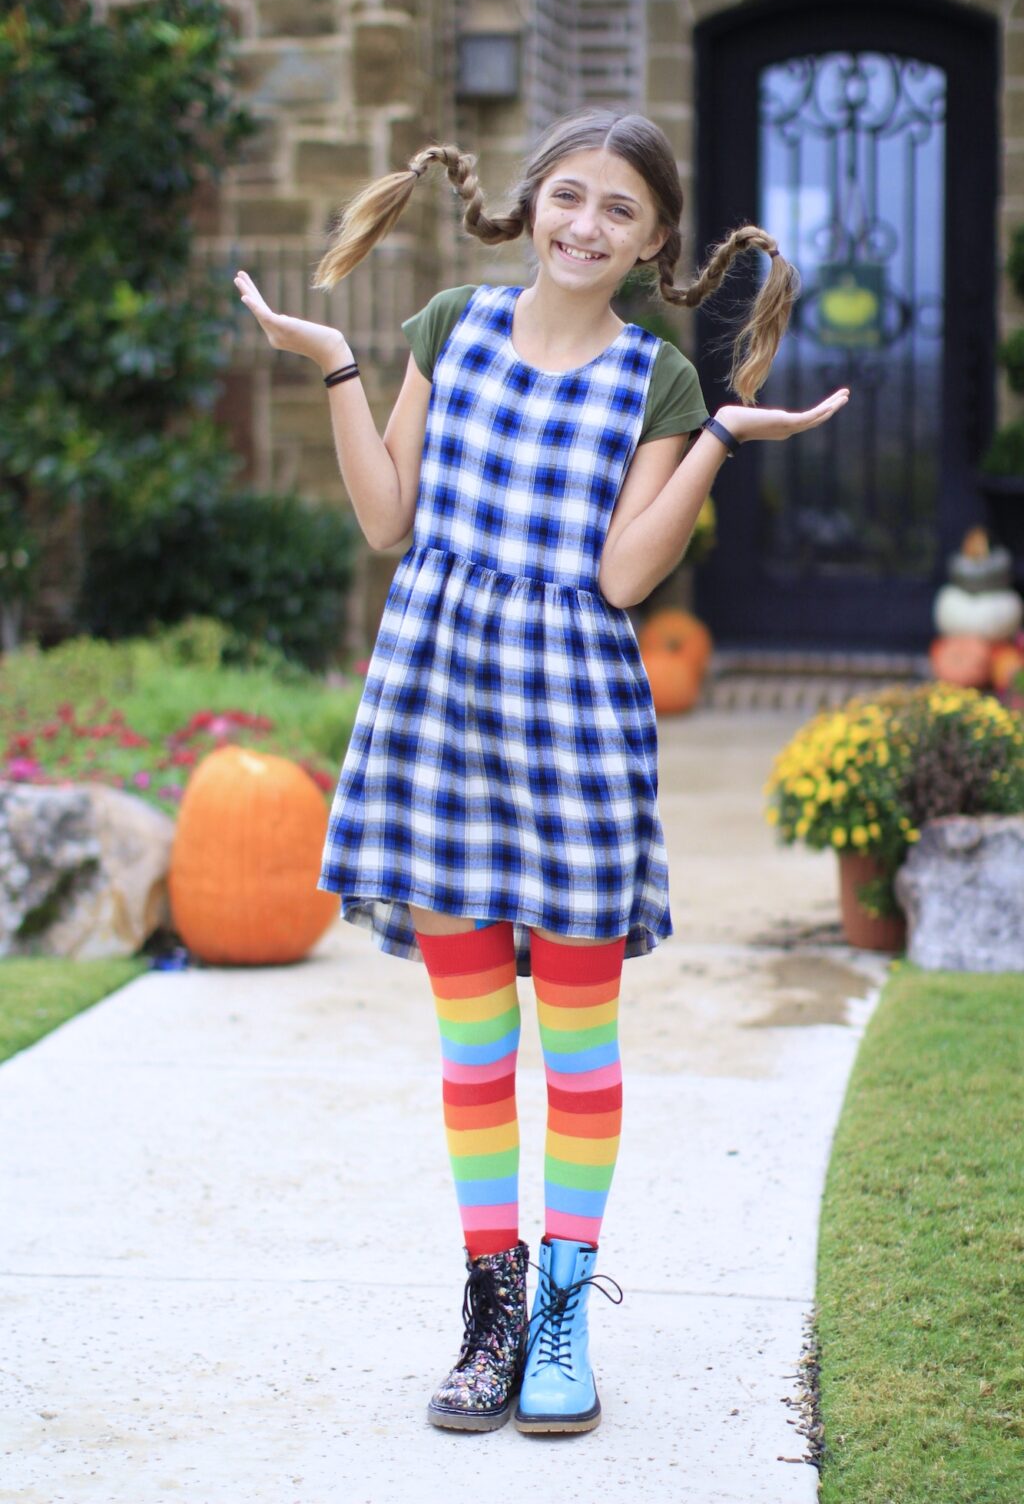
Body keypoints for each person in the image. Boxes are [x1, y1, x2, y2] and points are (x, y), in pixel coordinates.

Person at [235, 108, 848, 1437]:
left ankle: (565, 1310)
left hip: (571, 724)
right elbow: (389, 521)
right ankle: (491, 1307)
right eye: (568, 196)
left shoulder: (659, 381)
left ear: (657, 241)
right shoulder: (450, 326)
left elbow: (626, 576)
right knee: (471, 1047)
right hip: (437, 712)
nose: (587, 225)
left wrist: (721, 441)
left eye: (620, 209)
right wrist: (340, 364)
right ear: (529, 204)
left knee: (575, 1048)